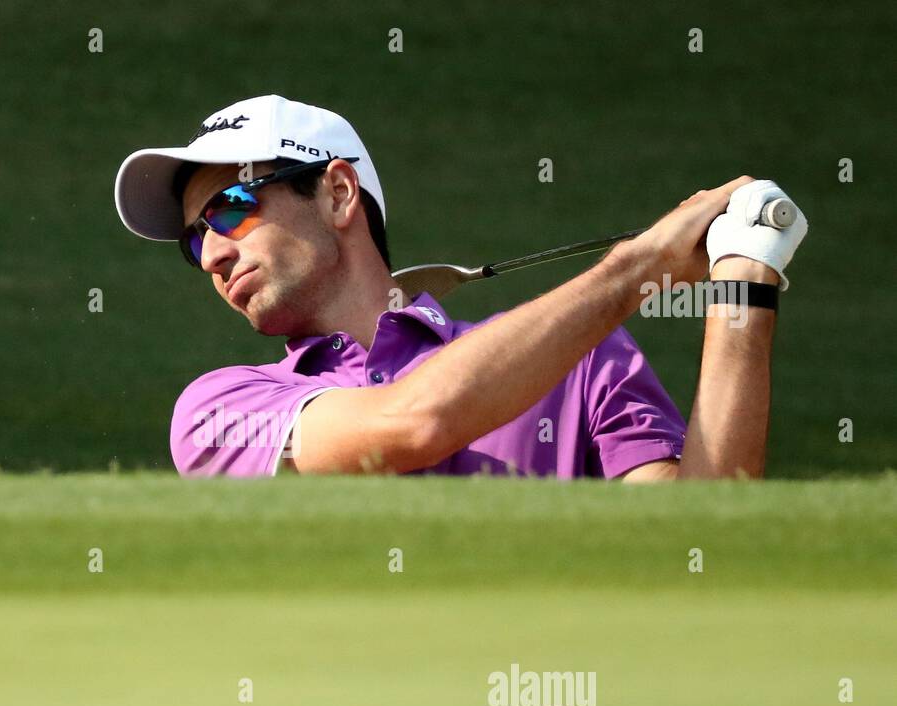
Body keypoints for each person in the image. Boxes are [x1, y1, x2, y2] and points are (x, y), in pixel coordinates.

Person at [114, 94, 808, 479]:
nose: (210, 254)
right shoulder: (217, 410)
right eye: (192, 239)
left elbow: (699, 546)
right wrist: (636, 269)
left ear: (337, 193)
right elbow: (412, 425)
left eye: (230, 210)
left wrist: (744, 285)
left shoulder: (588, 361)